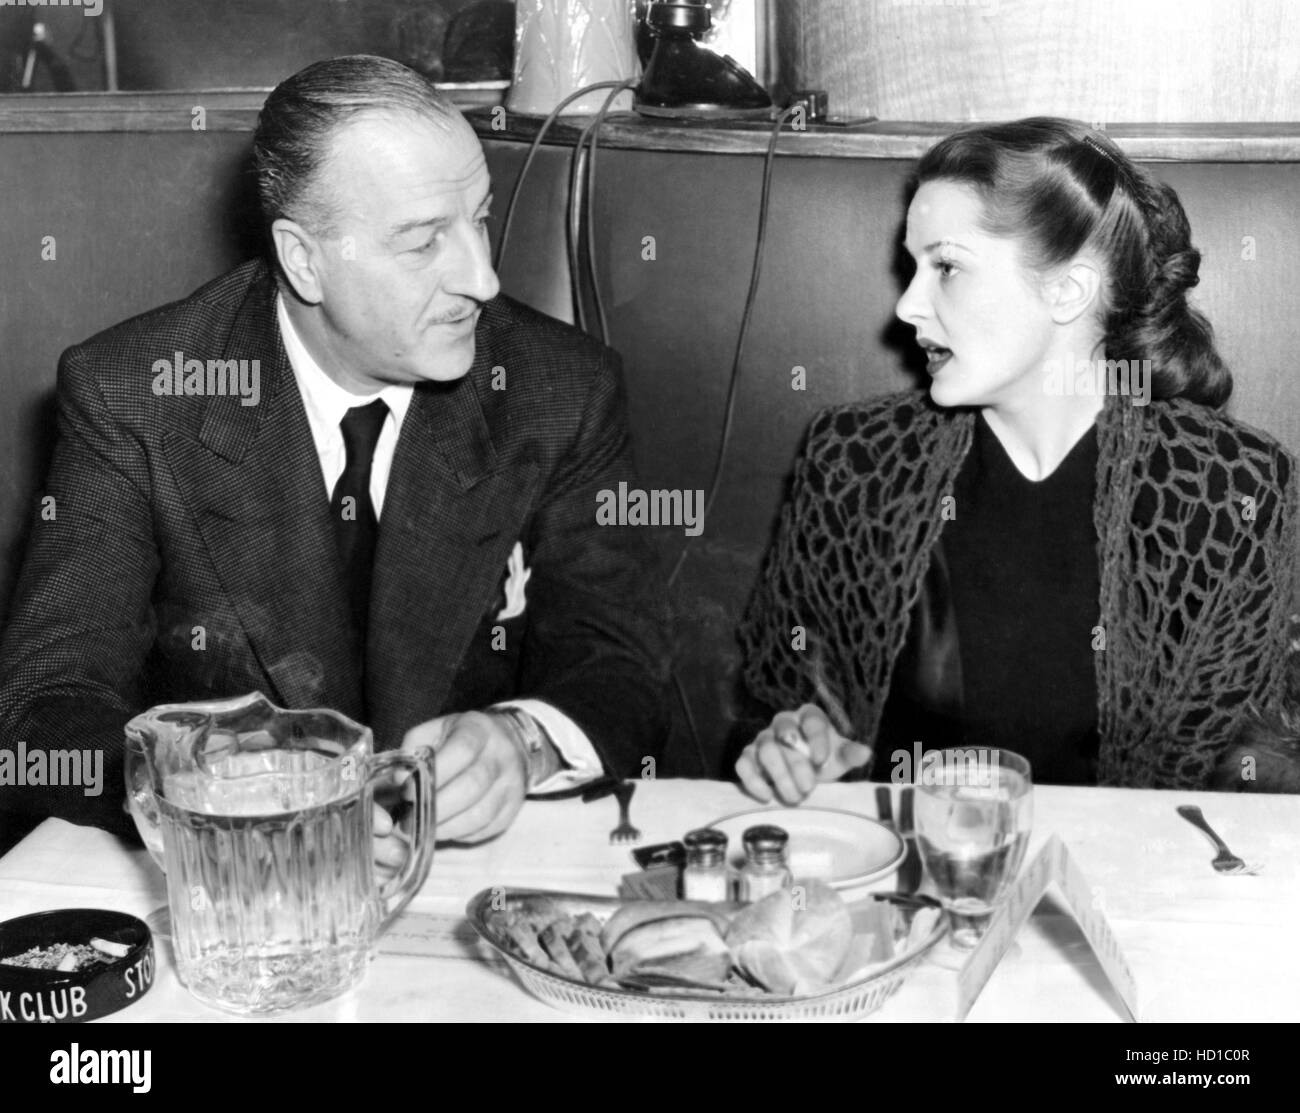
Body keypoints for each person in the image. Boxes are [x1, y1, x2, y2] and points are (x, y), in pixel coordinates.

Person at [0, 56, 670, 852]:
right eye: (424, 243)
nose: (484, 280)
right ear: (305, 259)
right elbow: (45, 710)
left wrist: (524, 740)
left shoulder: (560, 387)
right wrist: (203, 790)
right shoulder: (137, 396)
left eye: (480, 218)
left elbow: (621, 661)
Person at [735, 117, 1297, 803]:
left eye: (945, 267)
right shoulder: (853, 462)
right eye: (913, 267)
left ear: (1068, 289)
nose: (908, 306)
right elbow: (786, 705)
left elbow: (1255, 768)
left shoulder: (1232, 491)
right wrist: (797, 749)